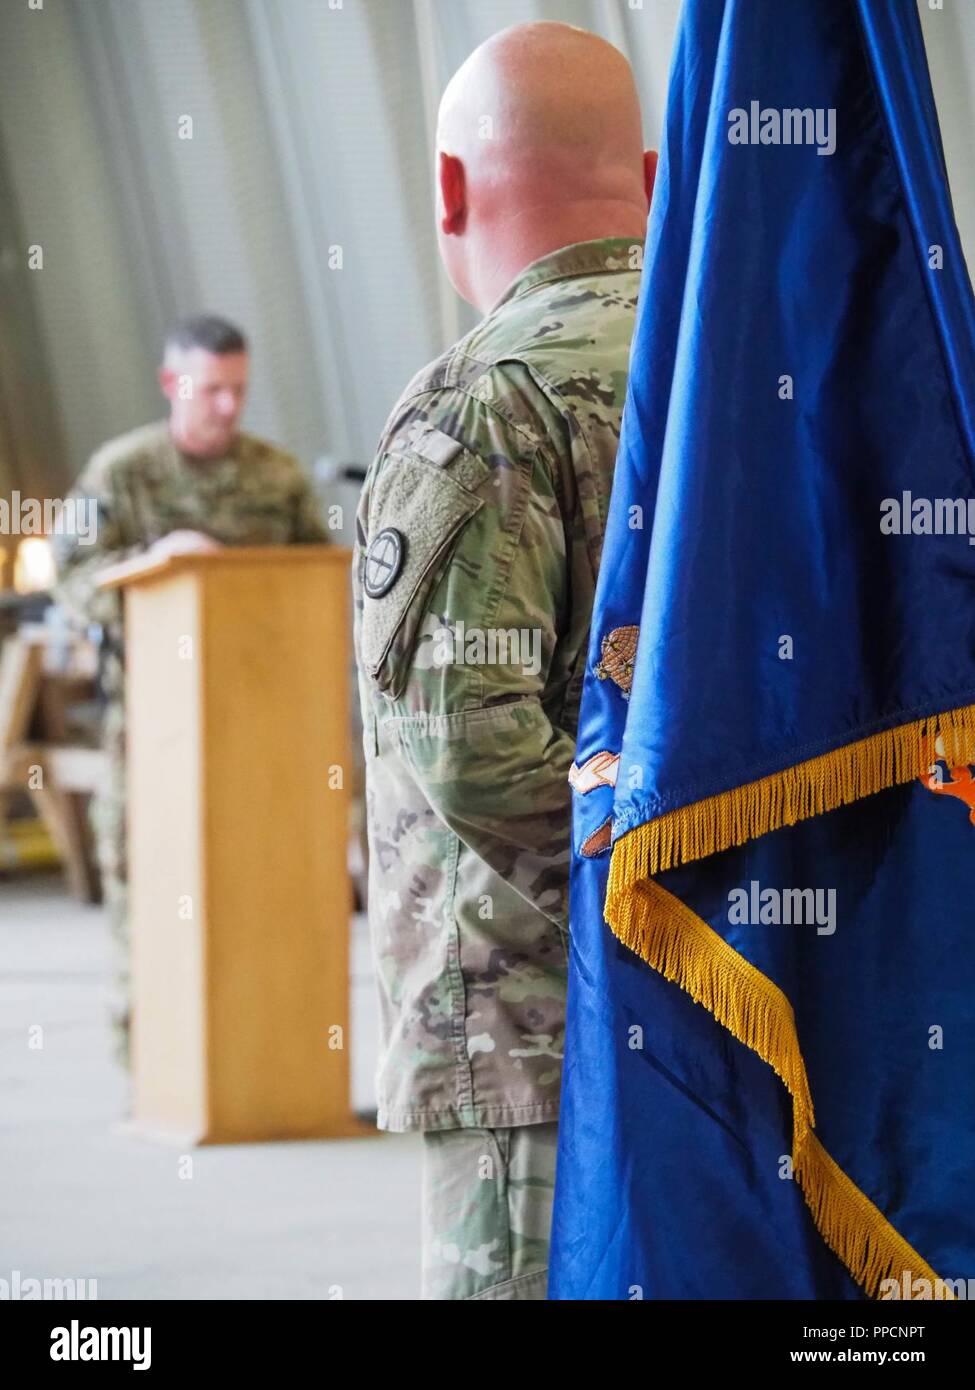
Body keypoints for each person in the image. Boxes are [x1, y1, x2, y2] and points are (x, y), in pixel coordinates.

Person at [352, 22, 656, 1300]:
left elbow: (472, 749)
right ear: (651, 181)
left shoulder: (484, 402)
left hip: (536, 1034)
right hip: (775, 1009)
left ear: (448, 188)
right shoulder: (771, 383)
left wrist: (644, 898)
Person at [52, 313, 328, 1071]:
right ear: (172, 383)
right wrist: (159, 569)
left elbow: (315, 580)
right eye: (211, 390)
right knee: (147, 884)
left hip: (260, 722)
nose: (228, 407)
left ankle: (265, 1063)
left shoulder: (276, 476)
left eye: (239, 390)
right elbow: (71, 579)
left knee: (262, 886)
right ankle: (151, 1065)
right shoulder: (122, 472)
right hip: (154, 721)